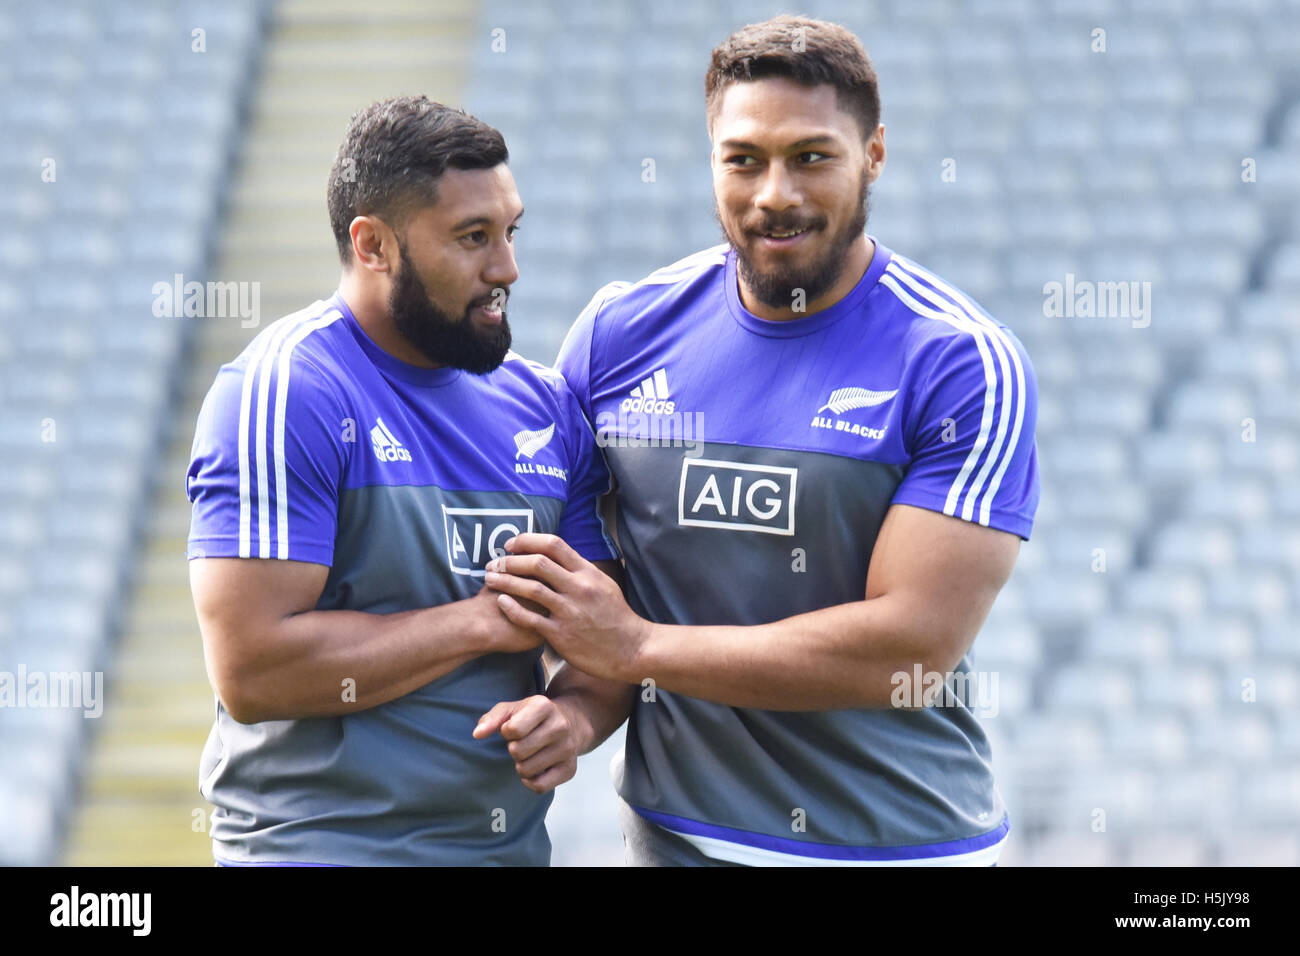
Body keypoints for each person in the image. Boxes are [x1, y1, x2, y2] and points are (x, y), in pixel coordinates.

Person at [484, 16, 1040, 866]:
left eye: (811, 156)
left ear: (875, 154)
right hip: (673, 840)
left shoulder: (961, 361)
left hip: (900, 846)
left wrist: (640, 649)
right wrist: (575, 711)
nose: (774, 192)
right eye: (743, 159)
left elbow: (910, 646)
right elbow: (594, 587)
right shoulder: (617, 339)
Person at [185, 95, 630, 866]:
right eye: (472, 239)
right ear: (374, 245)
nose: (506, 269)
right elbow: (253, 667)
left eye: (509, 232)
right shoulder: (289, 390)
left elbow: (602, 638)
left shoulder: (545, 405)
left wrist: (576, 718)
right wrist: (482, 623)